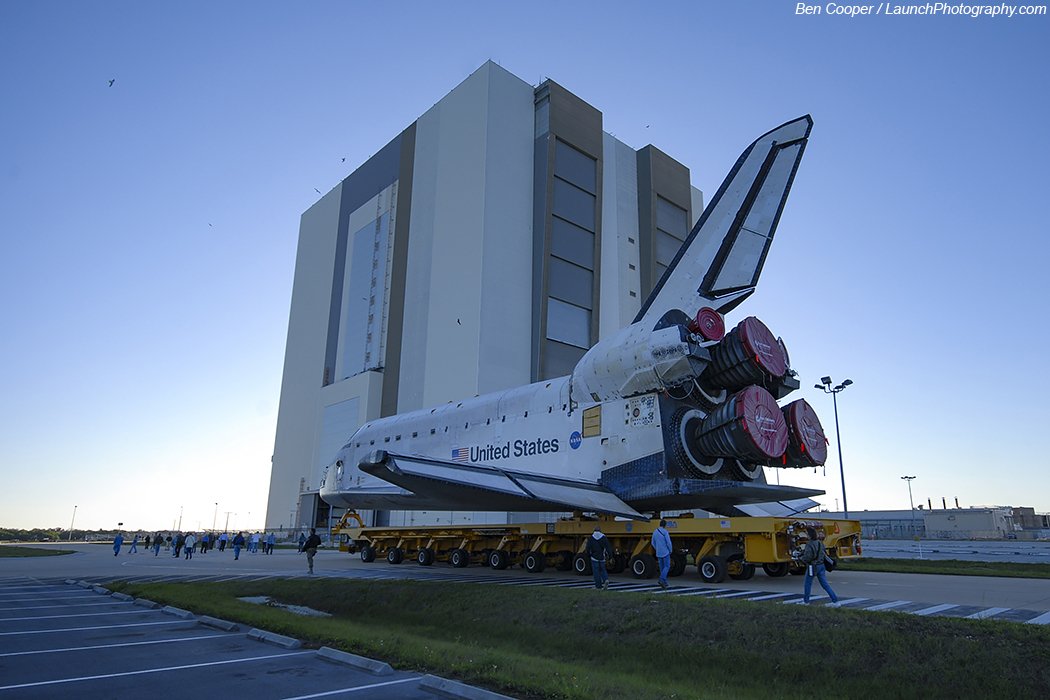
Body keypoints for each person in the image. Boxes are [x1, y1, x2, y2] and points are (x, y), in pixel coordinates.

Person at [800, 527, 839, 605]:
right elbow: (823, 553)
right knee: (825, 584)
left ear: (809, 535)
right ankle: (835, 601)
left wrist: (800, 558)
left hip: (812, 566)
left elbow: (808, 557)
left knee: (808, 584)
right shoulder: (820, 542)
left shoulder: (809, 544)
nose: (806, 535)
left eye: (806, 533)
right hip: (821, 566)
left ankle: (806, 601)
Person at [585, 525, 615, 590]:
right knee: (603, 570)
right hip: (602, 557)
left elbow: (588, 548)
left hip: (594, 557)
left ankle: (598, 586)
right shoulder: (604, 537)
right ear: (600, 531)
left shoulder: (591, 538)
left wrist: (588, 555)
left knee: (596, 572)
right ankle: (605, 579)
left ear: (594, 531)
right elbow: (608, 547)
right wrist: (610, 557)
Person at [651, 519, 673, 589]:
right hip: (665, 552)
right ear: (665, 525)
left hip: (658, 552)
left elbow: (652, 543)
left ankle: (664, 582)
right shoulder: (665, 532)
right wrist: (670, 550)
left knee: (661, 568)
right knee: (667, 566)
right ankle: (661, 579)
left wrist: (656, 548)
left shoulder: (655, 532)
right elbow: (668, 542)